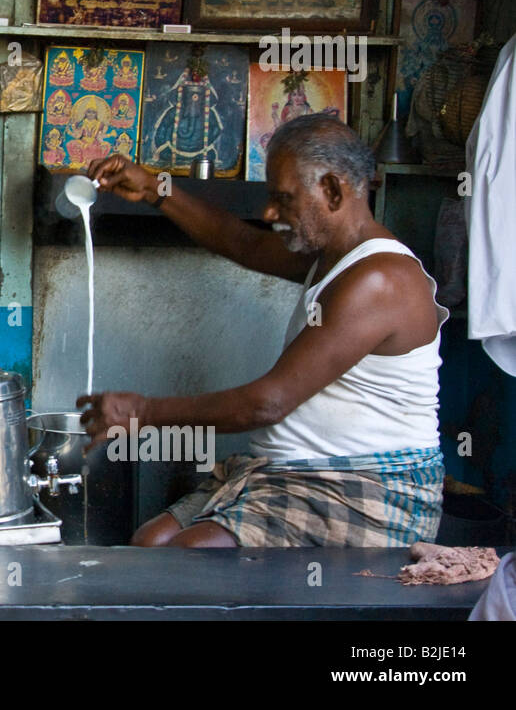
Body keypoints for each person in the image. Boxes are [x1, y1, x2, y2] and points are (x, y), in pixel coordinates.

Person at [80, 114, 447, 547]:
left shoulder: (379, 279)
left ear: (331, 190)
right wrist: (155, 189)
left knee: (183, 557)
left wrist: (141, 413)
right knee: (150, 543)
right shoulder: (330, 255)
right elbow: (244, 242)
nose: (270, 212)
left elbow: (268, 404)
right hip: (292, 473)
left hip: (367, 488)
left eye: (283, 198)